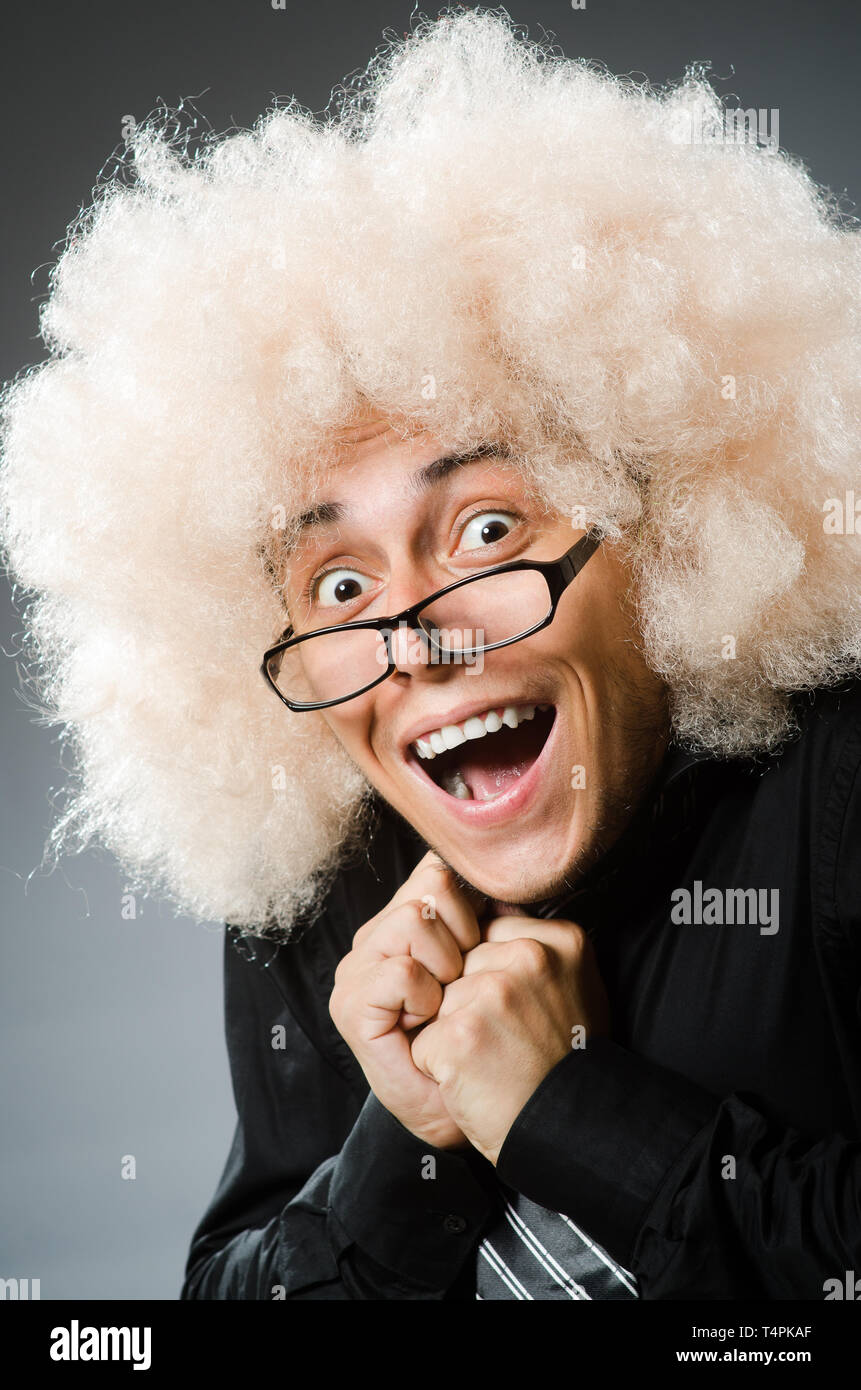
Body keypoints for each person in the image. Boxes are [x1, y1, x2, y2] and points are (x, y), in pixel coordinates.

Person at [1, 9, 859, 1300]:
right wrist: (406, 1132)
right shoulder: (331, 890)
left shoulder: (833, 790)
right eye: (339, 582)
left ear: (671, 523)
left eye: (485, 527)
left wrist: (565, 1111)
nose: (413, 635)